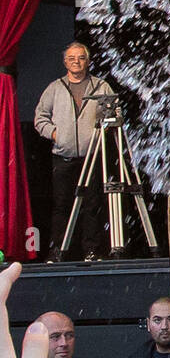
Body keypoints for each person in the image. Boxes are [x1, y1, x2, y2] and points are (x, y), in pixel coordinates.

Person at [33, 42, 114, 261]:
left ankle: (91, 251)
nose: (76, 62)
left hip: (92, 156)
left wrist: (102, 133)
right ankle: (58, 251)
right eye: (71, 58)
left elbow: (115, 113)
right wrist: (54, 134)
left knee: (92, 205)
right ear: (65, 62)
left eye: (80, 58)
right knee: (62, 206)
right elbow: (40, 117)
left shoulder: (101, 86)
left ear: (87, 61)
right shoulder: (55, 88)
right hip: (63, 156)